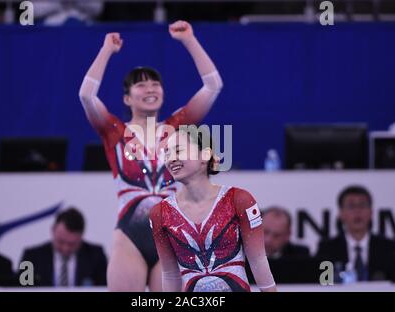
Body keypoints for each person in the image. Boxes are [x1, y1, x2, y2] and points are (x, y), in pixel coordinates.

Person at [78, 20, 223, 291]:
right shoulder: (114, 132)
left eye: (155, 84)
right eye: (141, 86)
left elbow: (213, 85)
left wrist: (189, 40)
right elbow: (86, 95)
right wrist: (106, 50)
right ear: (126, 99)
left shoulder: (177, 127)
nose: (151, 89)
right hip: (129, 237)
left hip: (170, 237)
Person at [150, 129, 276, 292]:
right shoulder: (159, 213)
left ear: (205, 155)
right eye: (166, 153)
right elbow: (170, 275)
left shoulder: (239, 200)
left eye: (178, 150)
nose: (171, 159)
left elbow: (258, 261)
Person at [316, 185, 395, 282]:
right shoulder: (327, 249)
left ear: (371, 212)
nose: (357, 211)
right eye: (351, 206)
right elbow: (323, 285)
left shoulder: (389, 248)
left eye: (362, 205)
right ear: (341, 213)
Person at [20, 208, 108, 287]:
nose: (65, 248)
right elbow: (21, 289)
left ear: (81, 236)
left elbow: (105, 288)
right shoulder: (31, 258)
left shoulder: (96, 257)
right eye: (61, 241)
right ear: (53, 231)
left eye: (72, 244)